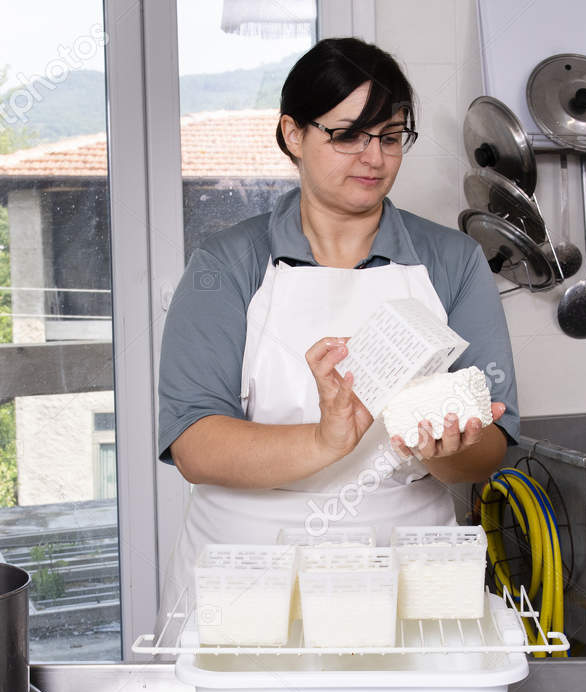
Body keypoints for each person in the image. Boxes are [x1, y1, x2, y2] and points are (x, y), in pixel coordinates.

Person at [155, 36, 520, 612]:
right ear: (292, 134)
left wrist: (438, 447)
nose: (373, 158)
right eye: (347, 134)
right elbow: (194, 444)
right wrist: (327, 438)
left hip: (404, 570)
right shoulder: (227, 264)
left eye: (391, 137)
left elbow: (491, 448)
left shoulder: (453, 261)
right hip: (248, 574)